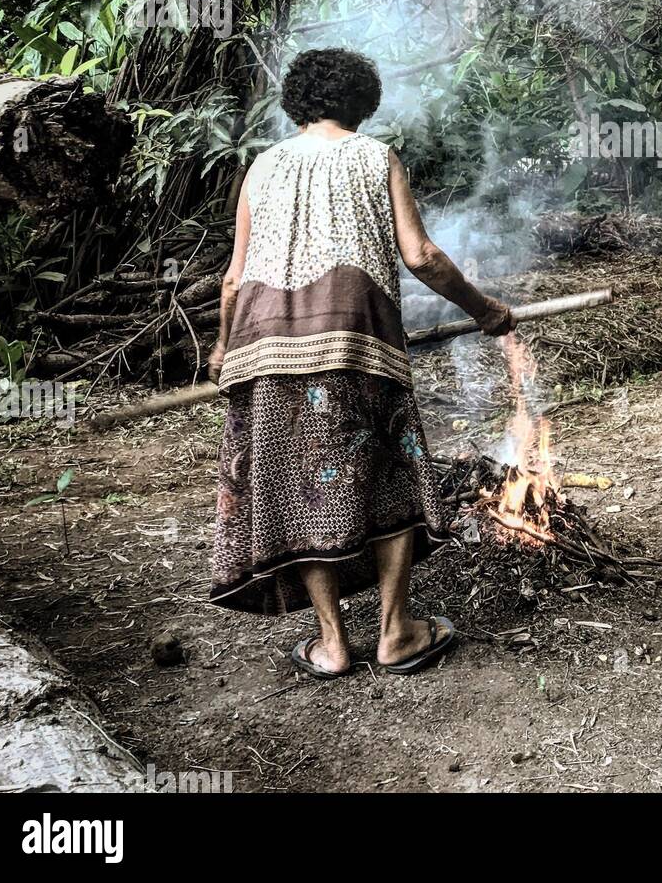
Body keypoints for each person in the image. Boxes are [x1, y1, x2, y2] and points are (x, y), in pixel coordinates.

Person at [205, 47, 514, 677]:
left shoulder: (262, 167)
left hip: (264, 347)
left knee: (297, 488)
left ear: (298, 102)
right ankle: (396, 633)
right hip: (354, 338)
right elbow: (421, 256)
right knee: (390, 472)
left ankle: (332, 644)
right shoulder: (377, 157)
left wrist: (222, 346)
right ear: (362, 102)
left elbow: (235, 280)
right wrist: (484, 310)